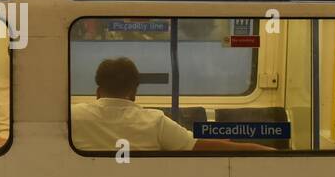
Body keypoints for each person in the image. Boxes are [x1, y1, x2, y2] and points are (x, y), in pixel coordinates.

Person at [71, 57, 270, 152]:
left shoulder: (74, 116)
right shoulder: (154, 121)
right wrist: (262, 150)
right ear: (133, 92)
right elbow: (197, 146)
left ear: (98, 90)